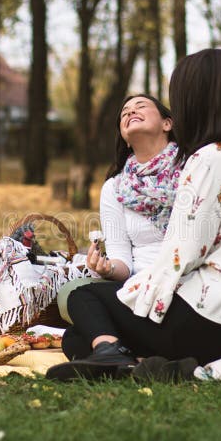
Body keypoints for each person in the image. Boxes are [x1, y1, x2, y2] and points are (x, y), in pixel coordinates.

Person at [46, 49, 221, 381]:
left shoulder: (205, 160)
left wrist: (132, 294)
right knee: (79, 335)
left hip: (207, 319)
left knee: (86, 297)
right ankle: (153, 362)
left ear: (193, 99)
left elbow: (180, 257)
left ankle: (115, 355)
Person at [55, 94, 179, 340]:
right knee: (71, 298)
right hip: (137, 286)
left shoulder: (193, 169)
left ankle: (114, 346)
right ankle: (126, 346)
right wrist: (108, 268)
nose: (131, 111)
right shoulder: (115, 187)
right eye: (125, 113)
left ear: (167, 123)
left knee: (78, 340)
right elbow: (122, 259)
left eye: (141, 106)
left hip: (185, 282)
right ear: (124, 137)